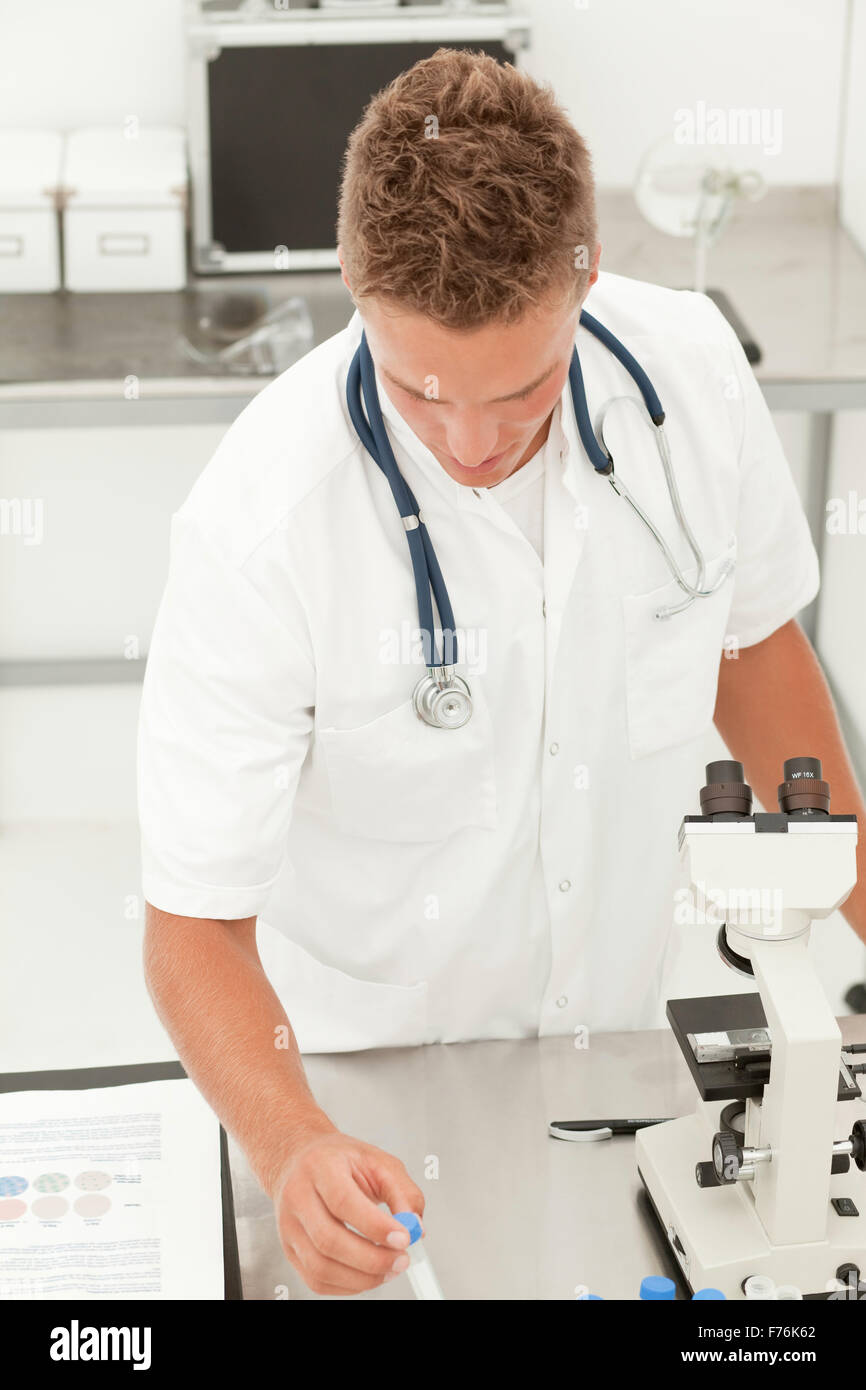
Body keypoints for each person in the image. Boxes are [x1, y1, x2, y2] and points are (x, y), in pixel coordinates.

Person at [138, 49, 866, 1296]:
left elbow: (751, 652)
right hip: (358, 1088)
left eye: (522, 389)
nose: (471, 445)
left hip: (621, 1057)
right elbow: (193, 926)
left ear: (583, 280)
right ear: (356, 295)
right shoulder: (260, 523)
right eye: (420, 391)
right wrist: (292, 1137)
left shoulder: (686, 380)